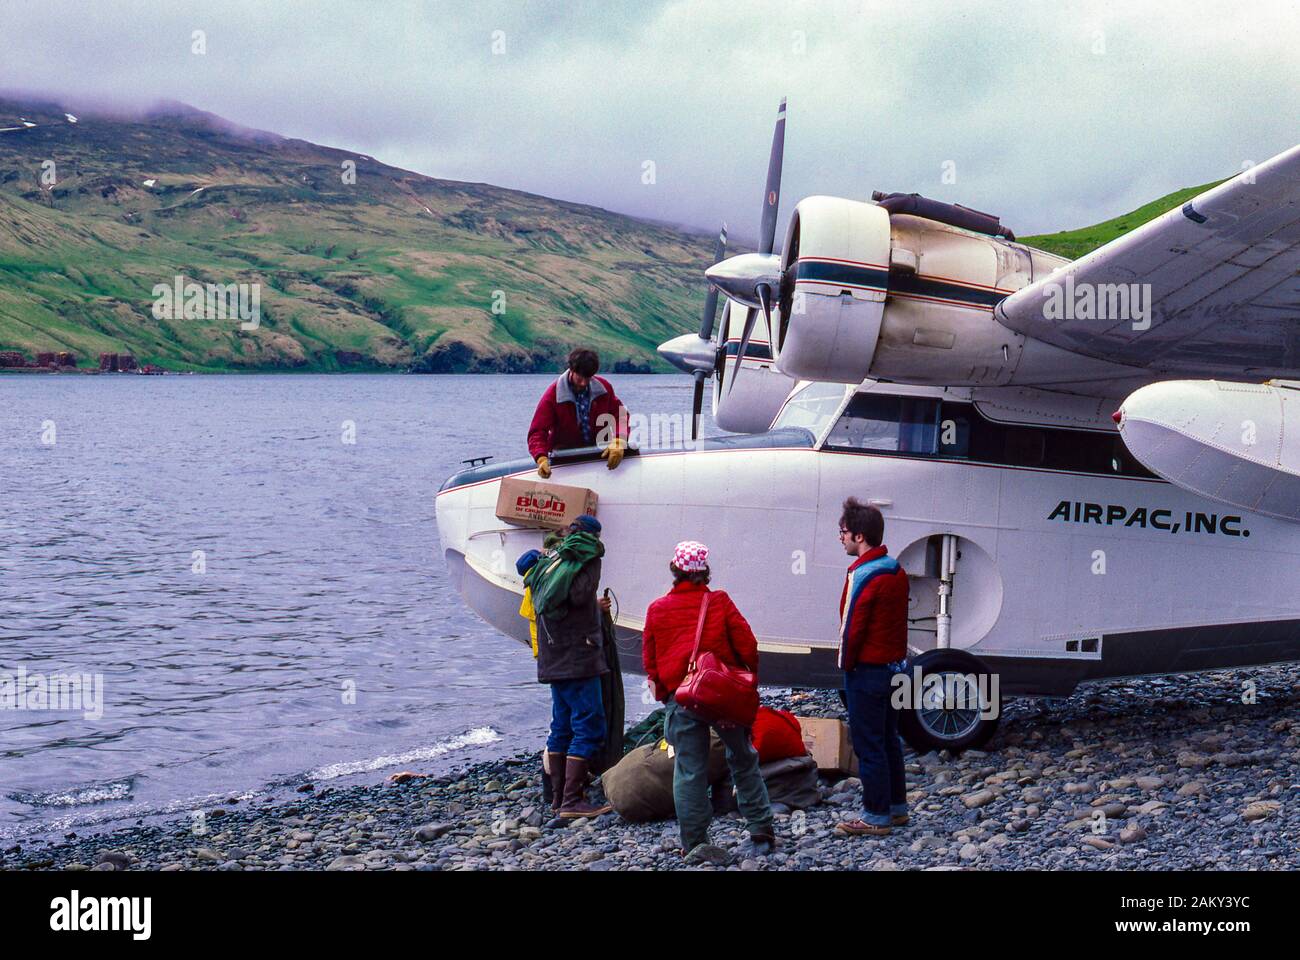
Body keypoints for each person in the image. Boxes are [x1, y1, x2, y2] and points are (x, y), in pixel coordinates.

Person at [642, 541, 774, 862]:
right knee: (742, 757)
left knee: (689, 771)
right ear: (705, 572)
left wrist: (668, 696)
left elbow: (651, 663)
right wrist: (745, 680)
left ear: (675, 570)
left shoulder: (657, 609)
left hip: (683, 698)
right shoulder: (719, 602)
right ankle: (760, 829)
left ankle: (695, 842)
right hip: (723, 695)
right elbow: (748, 645)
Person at [833, 498, 910, 837]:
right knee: (889, 738)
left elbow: (853, 627)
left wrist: (845, 666)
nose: (841, 538)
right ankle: (896, 808)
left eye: (844, 532)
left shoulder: (863, 574)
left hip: (869, 671)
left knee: (868, 744)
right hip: (897, 667)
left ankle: (876, 816)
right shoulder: (895, 568)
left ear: (859, 536)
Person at [527, 514, 614, 818]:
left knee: (561, 724)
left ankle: (557, 798)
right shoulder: (587, 557)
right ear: (593, 536)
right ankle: (572, 800)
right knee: (589, 724)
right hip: (578, 656)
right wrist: (595, 607)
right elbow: (578, 596)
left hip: (552, 656)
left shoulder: (550, 559)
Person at [527, 348, 629, 478]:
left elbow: (621, 415)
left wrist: (619, 440)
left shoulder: (604, 388)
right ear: (571, 369)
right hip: (565, 460)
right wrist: (541, 458)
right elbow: (537, 432)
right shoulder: (553, 395)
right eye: (580, 377)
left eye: (588, 378)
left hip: (599, 455)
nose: (584, 383)